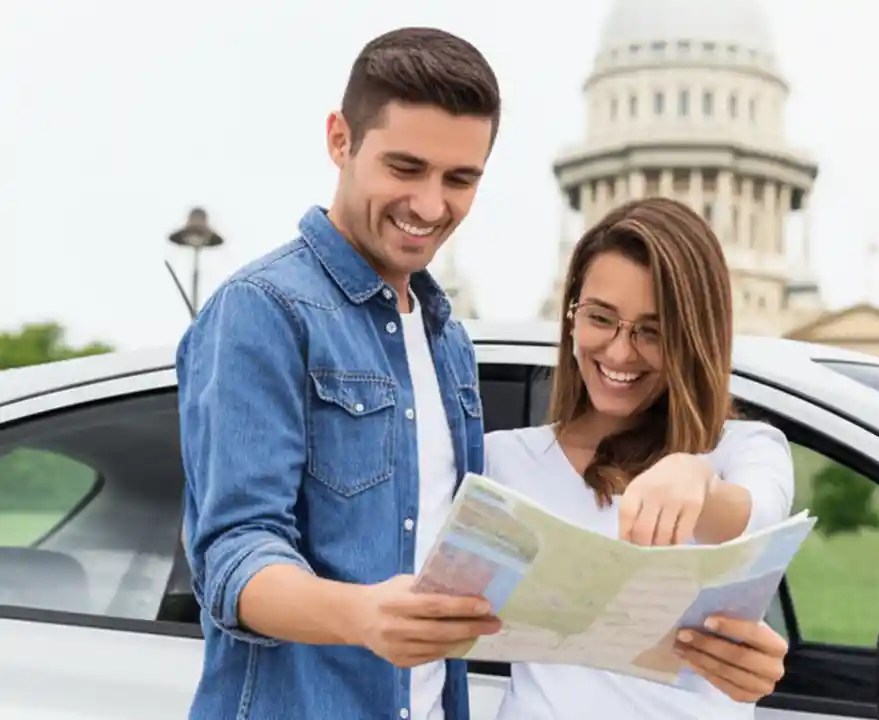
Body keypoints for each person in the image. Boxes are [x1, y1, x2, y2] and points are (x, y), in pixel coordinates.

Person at [176, 27, 502, 720]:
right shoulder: (261, 310)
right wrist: (362, 615)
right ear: (340, 140)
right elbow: (233, 560)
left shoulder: (452, 345)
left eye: (460, 179)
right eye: (405, 167)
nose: (431, 205)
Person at [483, 197, 796, 719]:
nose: (621, 352)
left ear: (694, 337)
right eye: (601, 319)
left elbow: (753, 515)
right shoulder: (503, 461)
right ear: (571, 317)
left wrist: (696, 477)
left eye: (652, 331)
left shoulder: (745, 450)